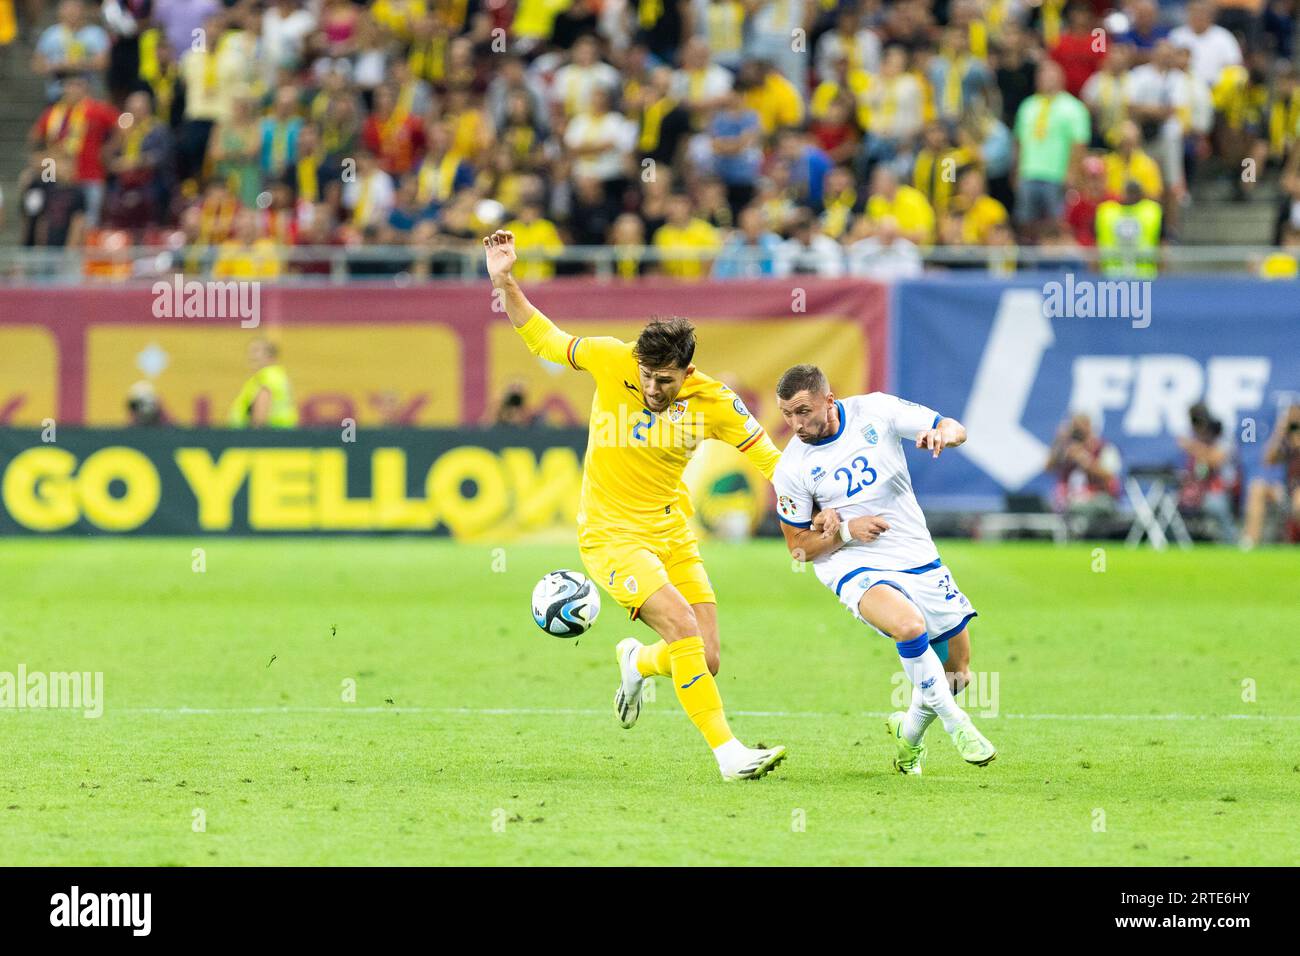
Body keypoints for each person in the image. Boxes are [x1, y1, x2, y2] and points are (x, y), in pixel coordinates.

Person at [483, 228, 787, 781]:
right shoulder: (610, 357)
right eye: (646, 375)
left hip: (672, 532)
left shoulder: (715, 401)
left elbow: (768, 456)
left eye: (664, 380)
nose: (651, 387)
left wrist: (806, 495)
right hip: (610, 535)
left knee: (707, 658)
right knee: (683, 629)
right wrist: (506, 282)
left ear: (687, 372)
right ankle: (728, 753)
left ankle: (637, 661)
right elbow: (546, 340)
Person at [771, 364, 997, 774]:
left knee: (958, 671)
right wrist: (846, 533)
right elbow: (800, 551)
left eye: (803, 411)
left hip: (913, 550)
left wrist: (943, 434)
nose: (795, 424)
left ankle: (909, 735)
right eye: (787, 414)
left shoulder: (875, 411)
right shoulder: (791, 467)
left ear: (829, 400)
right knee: (909, 627)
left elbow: (953, 426)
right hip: (850, 561)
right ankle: (957, 725)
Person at [1046, 412, 1122, 531]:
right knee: (1051, 504)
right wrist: (1059, 442)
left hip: (1097, 498)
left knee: (1076, 508)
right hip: (1069, 497)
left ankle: (1076, 533)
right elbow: (1048, 468)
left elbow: (1109, 477)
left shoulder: (1105, 448)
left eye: (1080, 427)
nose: (1078, 432)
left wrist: (1083, 459)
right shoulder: (1067, 448)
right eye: (1074, 427)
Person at [1177, 402, 1239, 542]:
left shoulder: (1222, 437)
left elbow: (1216, 459)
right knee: (1168, 506)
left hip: (1222, 489)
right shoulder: (1195, 439)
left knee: (1216, 504)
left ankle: (1232, 542)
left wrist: (1193, 446)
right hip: (1196, 491)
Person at [1241, 404, 1300, 547]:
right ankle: (1250, 542)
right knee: (1257, 487)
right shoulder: (1287, 440)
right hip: (1287, 490)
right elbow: (1268, 459)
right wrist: (1280, 430)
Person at [229, 338, 298, 429]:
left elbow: (260, 416)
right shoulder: (277, 375)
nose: (250, 356)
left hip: (268, 436)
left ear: (270, 356)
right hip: (280, 434)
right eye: (249, 351)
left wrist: (253, 436)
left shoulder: (267, 377)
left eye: (256, 351)